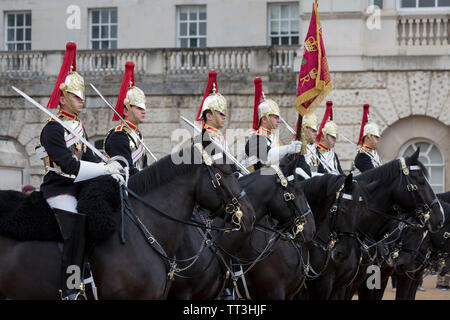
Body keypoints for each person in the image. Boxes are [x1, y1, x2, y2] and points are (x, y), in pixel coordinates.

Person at [35, 42, 124, 300]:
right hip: (59, 187)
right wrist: (104, 169)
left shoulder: (78, 127)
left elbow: (86, 156)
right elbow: (69, 165)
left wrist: (110, 166)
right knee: (76, 225)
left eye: (82, 96)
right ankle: (71, 288)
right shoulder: (53, 129)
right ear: (62, 97)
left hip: (79, 188)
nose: (81, 101)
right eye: (75, 96)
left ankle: (94, 273)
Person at [243, 77, 302, 172]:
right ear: (264, 119)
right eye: (276, 117)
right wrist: (288, 148)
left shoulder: (275, 138)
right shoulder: (255, 138)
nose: (279, 121)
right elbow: (268, 157)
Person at [104, 61, 148, 176]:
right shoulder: (119, 135)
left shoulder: (137, 135)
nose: (144, 111)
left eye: (143, 107)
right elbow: (126, 169)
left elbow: (144, 166)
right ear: (125, 111)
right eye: (138, 108)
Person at [316, 101, 343, 175]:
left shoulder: (334, 155)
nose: (335, 139)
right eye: (332, 136)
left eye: (335, 136)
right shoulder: (315, 152)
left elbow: (340, 173)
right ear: (323, 136)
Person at [353, 104, 382, 173]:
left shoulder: (373, 153)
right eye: (376, 137)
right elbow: (373, 175)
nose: (378, 140)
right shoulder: (362, 155)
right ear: (367, 138)